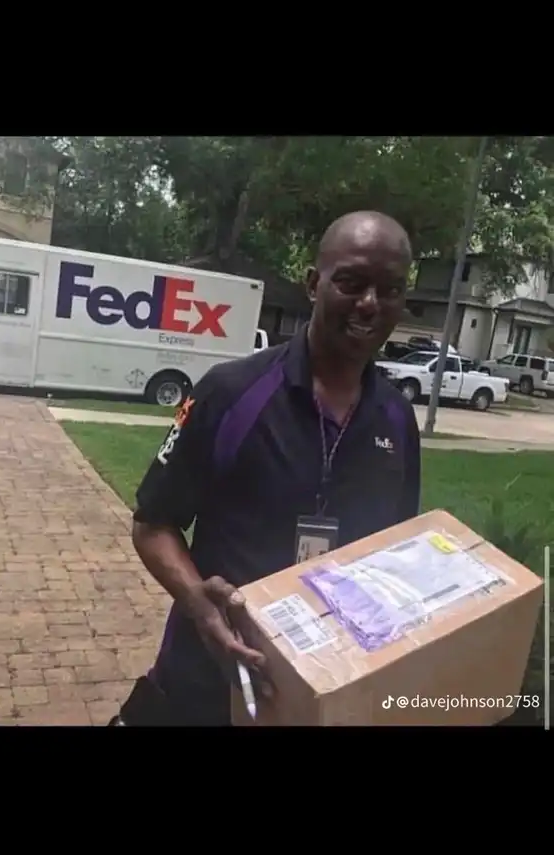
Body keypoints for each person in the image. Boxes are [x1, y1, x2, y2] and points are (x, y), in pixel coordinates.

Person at [109, 210, 421, 726]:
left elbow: (395, 555)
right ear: (313, 284)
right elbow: (153, 524)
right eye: (351, 282)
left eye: (389, 289)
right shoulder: (231, 392)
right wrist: (197, 602)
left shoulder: (397, 418)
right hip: (206, 683)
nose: (370, 303)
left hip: (322, 694)